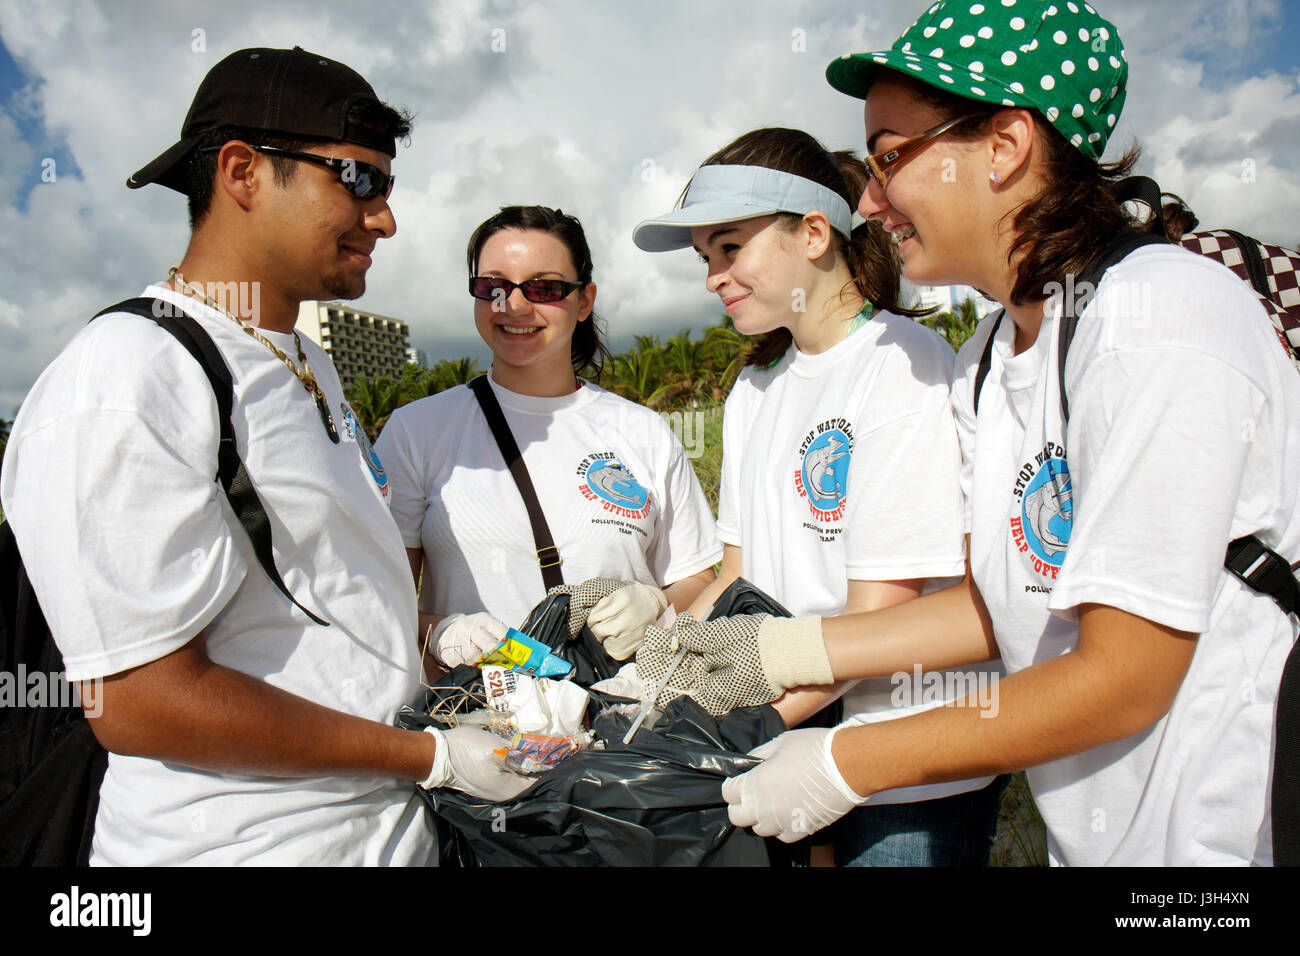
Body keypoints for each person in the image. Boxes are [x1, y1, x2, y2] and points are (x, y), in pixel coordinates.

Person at [642, 0, 1300, 865]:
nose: (869, 201)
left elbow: (1125, 677)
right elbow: (999, 607)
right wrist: (775, 649)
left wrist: (852, 757)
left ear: (1005, 146)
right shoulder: (992, 354)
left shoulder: (1156, 319)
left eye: (889, 158)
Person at [0, 47, 529, 867]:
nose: (385, 219)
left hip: (388, 836)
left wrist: (437, 637)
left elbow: (303, 618)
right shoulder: (126, 378)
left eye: (388, 188)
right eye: (357, 181)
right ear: (243, 172)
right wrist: (431, 757)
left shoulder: (302, 360)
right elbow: (142, 702)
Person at [632, 127, 1006, 866]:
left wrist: (729, 728)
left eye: (729, 247)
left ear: (812, 234)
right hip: (785, 741)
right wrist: (653, 674)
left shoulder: (901, 365)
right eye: (705, 257)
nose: (713, 275)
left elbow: (881, 618)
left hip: (901, 765)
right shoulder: (754, 387)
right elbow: (736, 578)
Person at [375, 205, 720, 677]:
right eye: (493, 287)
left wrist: (656, 603)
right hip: (478, 724)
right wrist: (441, 633)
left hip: (626, 722)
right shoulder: (417, 431)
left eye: (545, 287)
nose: (514, 305)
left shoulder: (644, 432)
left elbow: (697, 578)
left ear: (584, 301)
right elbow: (375, 601)